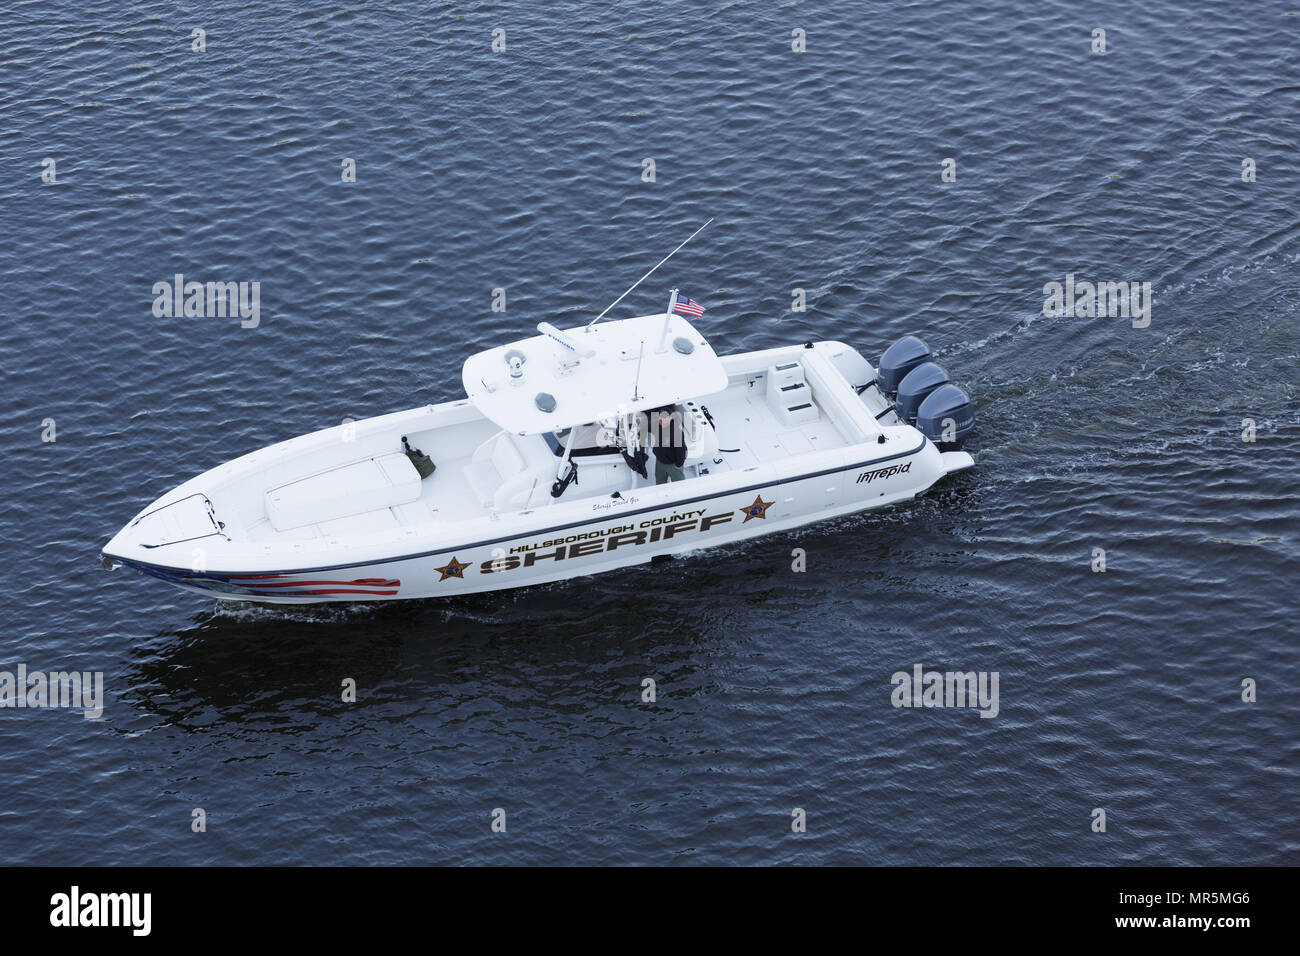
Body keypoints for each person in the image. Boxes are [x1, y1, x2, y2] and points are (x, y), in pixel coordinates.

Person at [651, 405, 687, 484]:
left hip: (673, 465)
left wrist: (678, 465)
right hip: (660, 462)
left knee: (679, 484)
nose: (661, 419)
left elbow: (681, 451)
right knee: (660, 483)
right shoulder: (657, 426)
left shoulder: (676, 432)